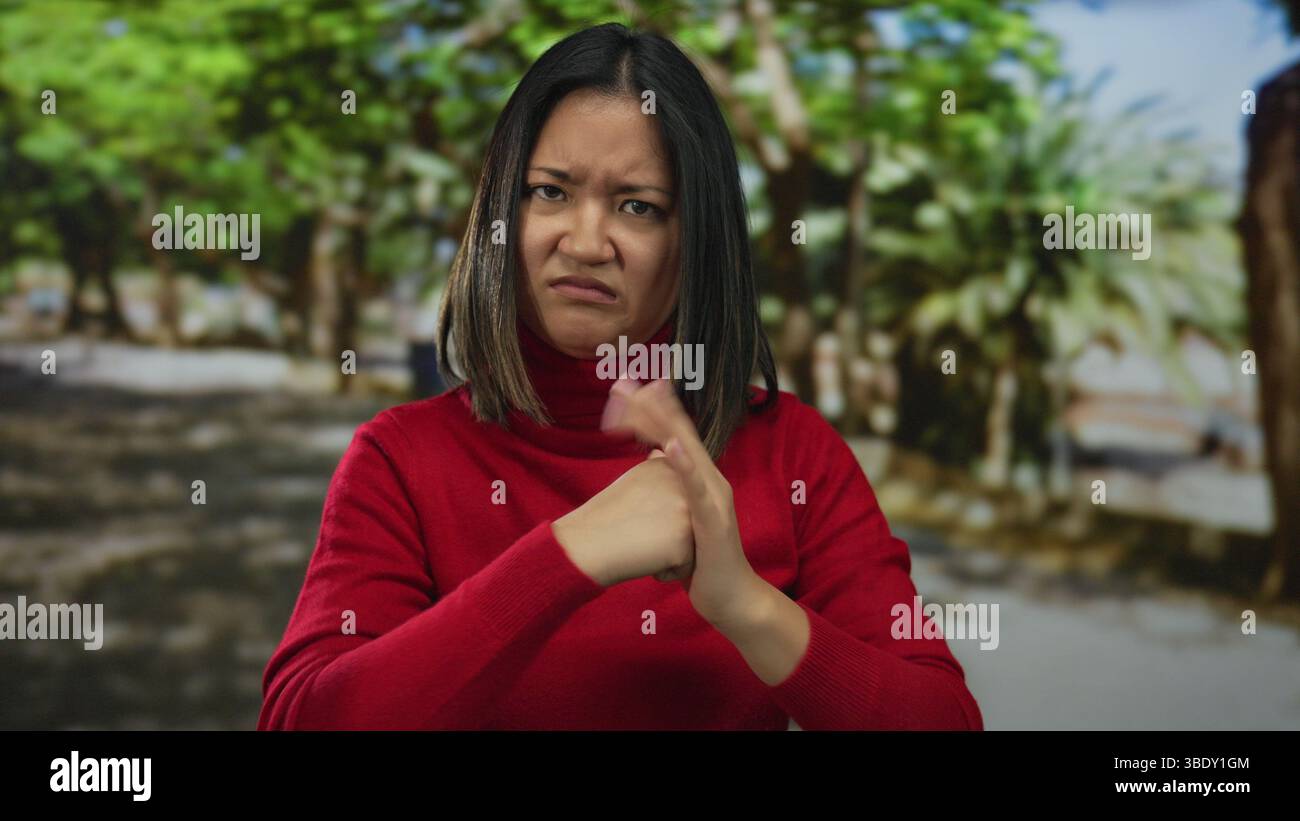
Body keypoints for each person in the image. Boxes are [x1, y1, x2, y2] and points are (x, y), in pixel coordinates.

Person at [258, 22, 983, 731]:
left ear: (695, 239)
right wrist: (570, 555)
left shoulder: (795, 453)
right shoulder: (400, 459)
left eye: (638, 206)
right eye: (550, 192)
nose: (585, 241)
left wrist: (746, 604)